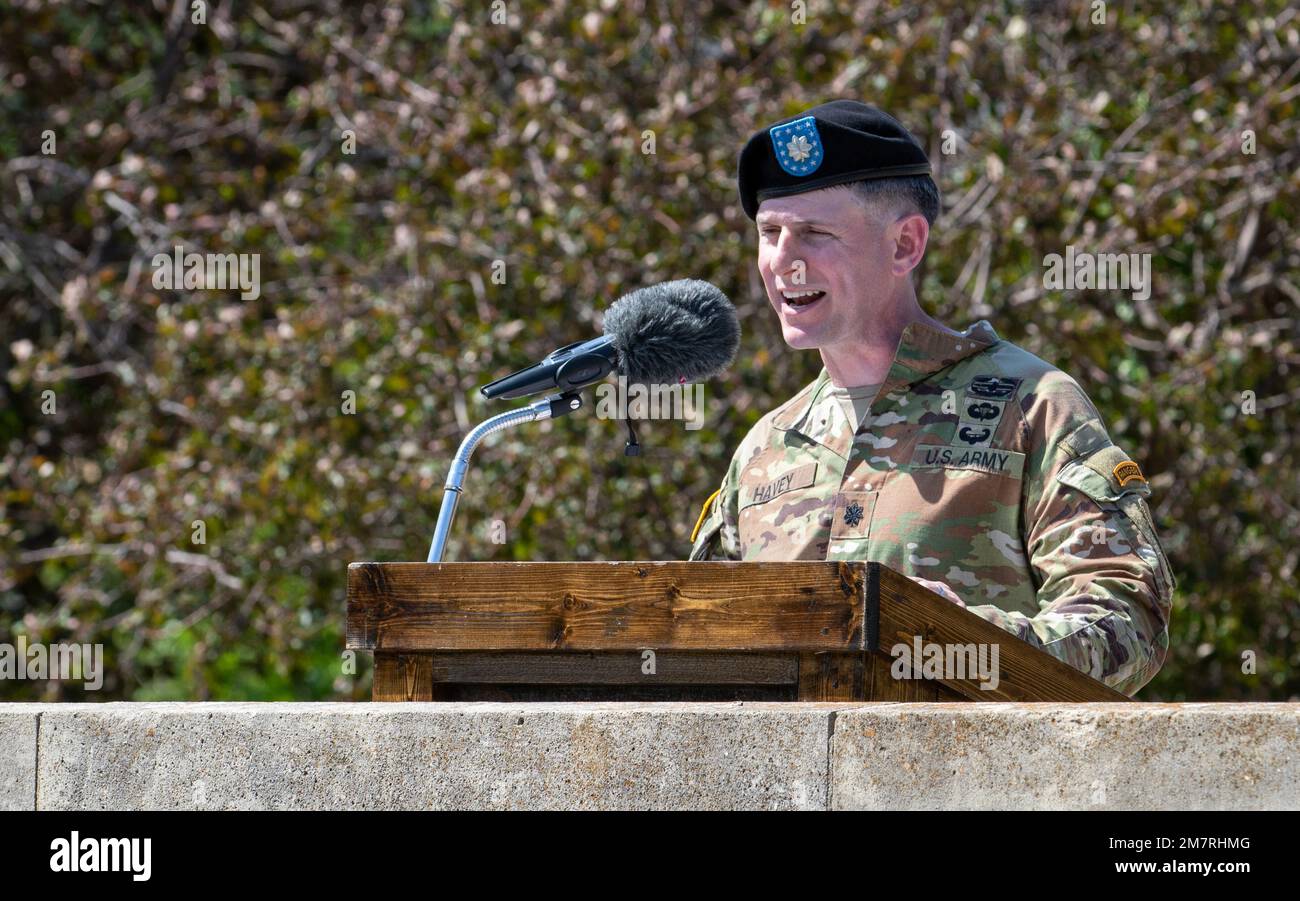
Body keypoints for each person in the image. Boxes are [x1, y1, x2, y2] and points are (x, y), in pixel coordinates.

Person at [689, 100, 1175, 696]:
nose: (785, 260)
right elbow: (697, 645)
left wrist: (964, 644)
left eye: (816, 232)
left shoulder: (1030, 405)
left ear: (905, 245)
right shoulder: (766, 446)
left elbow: (1128, 620)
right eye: (770, 233)